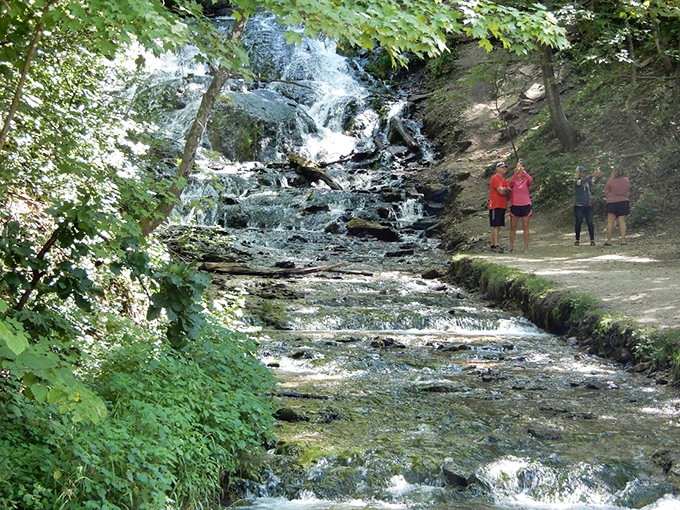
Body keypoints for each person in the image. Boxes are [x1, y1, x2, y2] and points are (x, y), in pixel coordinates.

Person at [507, 159, 533, 253]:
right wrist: (516, 172)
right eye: (519, 172)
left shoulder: (526, 181)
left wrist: (523, 171)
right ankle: (511, 246)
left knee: (525, 227)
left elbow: (531, 180)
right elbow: (510, 183)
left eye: (521, 172)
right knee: (513, 227)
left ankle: (526, 248)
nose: (520, 173)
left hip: (525, 205)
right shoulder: (513, 181)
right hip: (515, 205)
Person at [573, 165, 603, 245]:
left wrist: (599, 177)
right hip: (579, 205)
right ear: (578, 173)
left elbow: (594, 183)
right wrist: (592, 176)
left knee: (590, 222)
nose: (584, 173)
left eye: (585, 172)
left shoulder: (588, 182)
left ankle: (592, 239)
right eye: (583, 172)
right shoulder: (576, 181)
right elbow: (582, 182)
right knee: (578, 222)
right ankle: (577, 239)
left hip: (588, 205)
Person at [604, 167, 631, 245]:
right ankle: (623, 240)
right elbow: (627, 189)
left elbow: (606, 191)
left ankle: (609, 241)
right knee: (622, 222)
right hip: (623, 201)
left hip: (612, 202)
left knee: (610, 222)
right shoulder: (626, 180)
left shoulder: (610, 180)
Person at [488, 161, 510, 252]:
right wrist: (506, 190)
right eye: (502, 167)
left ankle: (494, 244)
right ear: (497, 169)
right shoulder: (495, 178)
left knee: (498, 225)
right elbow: (501, 191)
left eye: (505, 167)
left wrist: (505, 190)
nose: (504, 169)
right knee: (496, 225)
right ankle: (495, 245)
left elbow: (508, 191)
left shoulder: (504, 180)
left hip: (501, 205)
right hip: (495, 205)